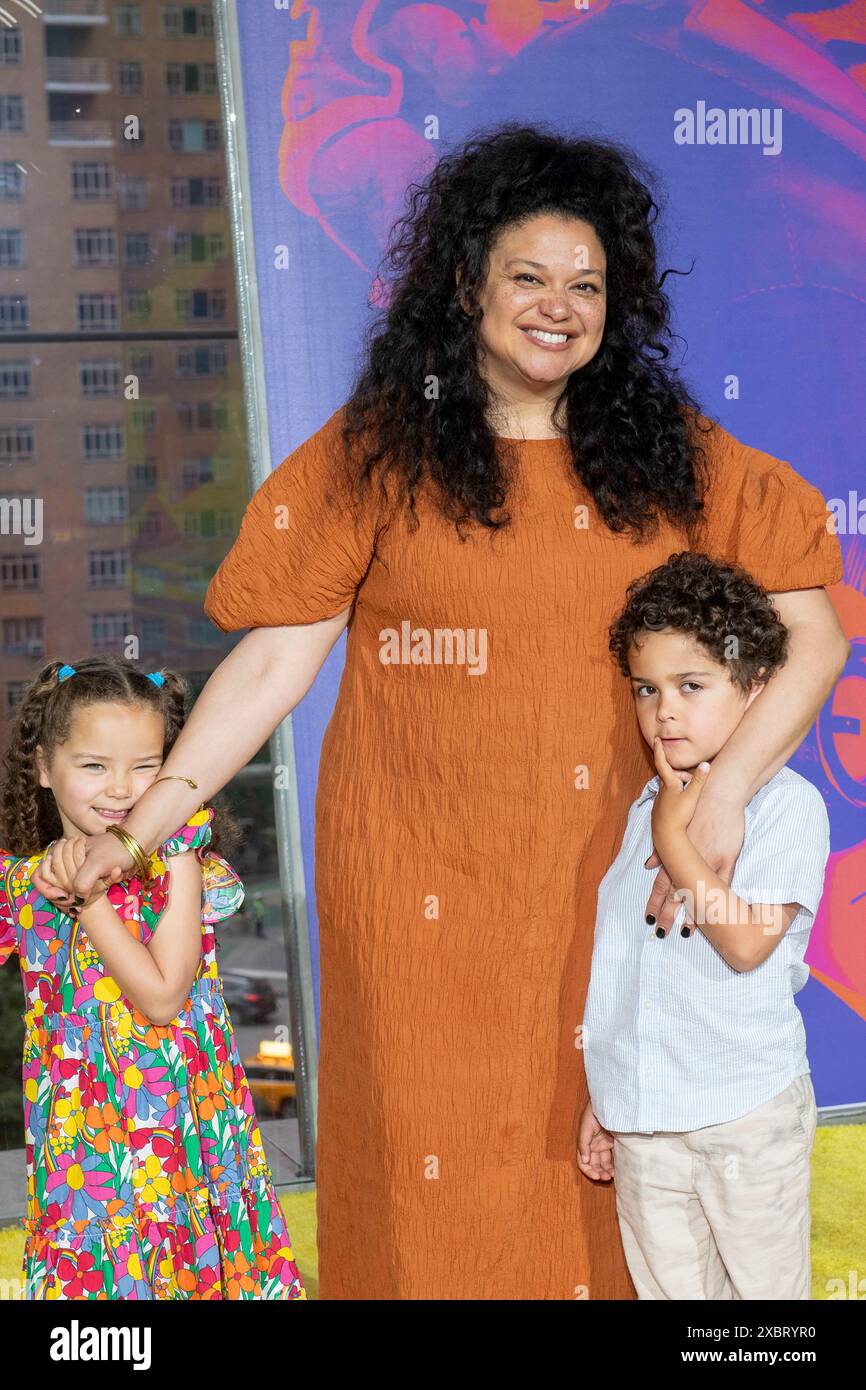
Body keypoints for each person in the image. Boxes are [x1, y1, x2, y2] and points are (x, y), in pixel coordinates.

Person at [33, 124, 847, 1299]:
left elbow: (812, 633)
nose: (558, 307)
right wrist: (140, 827)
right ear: (466, 284)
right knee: (429, 1212)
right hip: (416, 902)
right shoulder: (381, 448)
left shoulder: (675, 454)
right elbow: (273, 662)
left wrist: (718, 797)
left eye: (587, 285)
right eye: (527, 277)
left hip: (607, 893)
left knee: (612, 1207)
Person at [0, 656, 306, 1300]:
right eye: (94, 766)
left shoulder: (177, 859)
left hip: (186, 1150)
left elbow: (163, 996)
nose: (121, 790)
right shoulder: (21, 884)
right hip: (82, 1162)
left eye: (146, 768)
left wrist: (90, 902)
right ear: (42, 769)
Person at [577, 552, 829, 1299]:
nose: (665, 712)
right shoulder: (642, 817)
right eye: (647, 689)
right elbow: (631, 970)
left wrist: (678, 842)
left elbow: (748, 941)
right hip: (647, 1127)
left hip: (746, 1115)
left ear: (755, 689)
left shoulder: (786, 805)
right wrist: (608, 1095)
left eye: (692, 686)